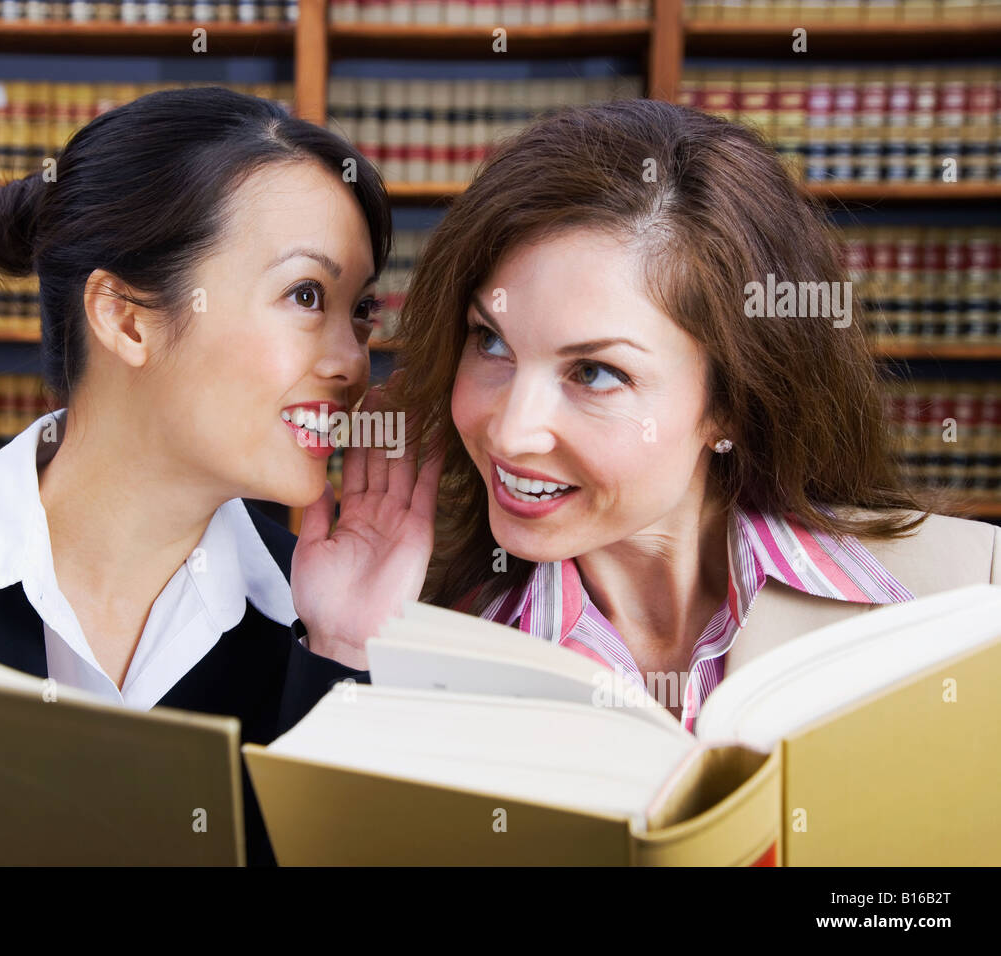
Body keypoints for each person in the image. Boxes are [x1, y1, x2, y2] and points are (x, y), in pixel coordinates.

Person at [0, 86, 393, 865]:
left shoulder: (335, 630)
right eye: (306, 295)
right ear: (125, 317)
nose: (351, 360)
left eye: (359, 310)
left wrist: (342, 651)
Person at [297, 99, 1000, 730]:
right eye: (492, 342)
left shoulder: (971, 597)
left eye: (595, 373)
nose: (511, 430)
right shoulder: (422, 638)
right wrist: (348, 652)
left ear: (728, 402)